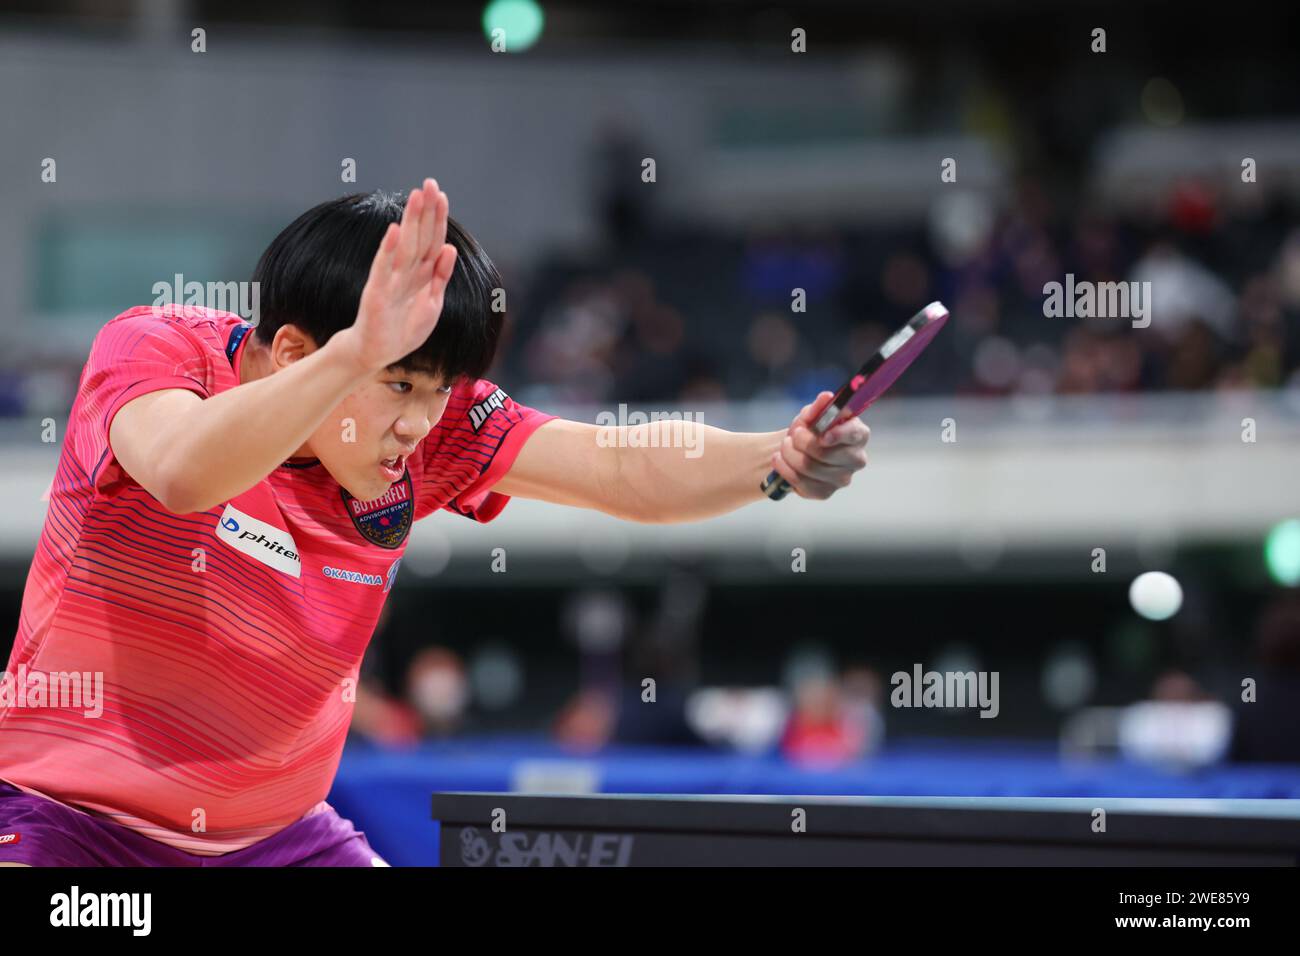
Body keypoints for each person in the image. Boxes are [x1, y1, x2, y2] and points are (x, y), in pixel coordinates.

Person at [0, 180, 870, 866]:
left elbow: (617, 464)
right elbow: (186, 473)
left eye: (439, 389)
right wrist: (358, 354)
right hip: (68, 824)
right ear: (302, 351)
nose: (420, 423)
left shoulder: (433, 434)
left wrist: (778, 457)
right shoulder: (158, 348)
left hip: (275, 842)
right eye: (400, 384)